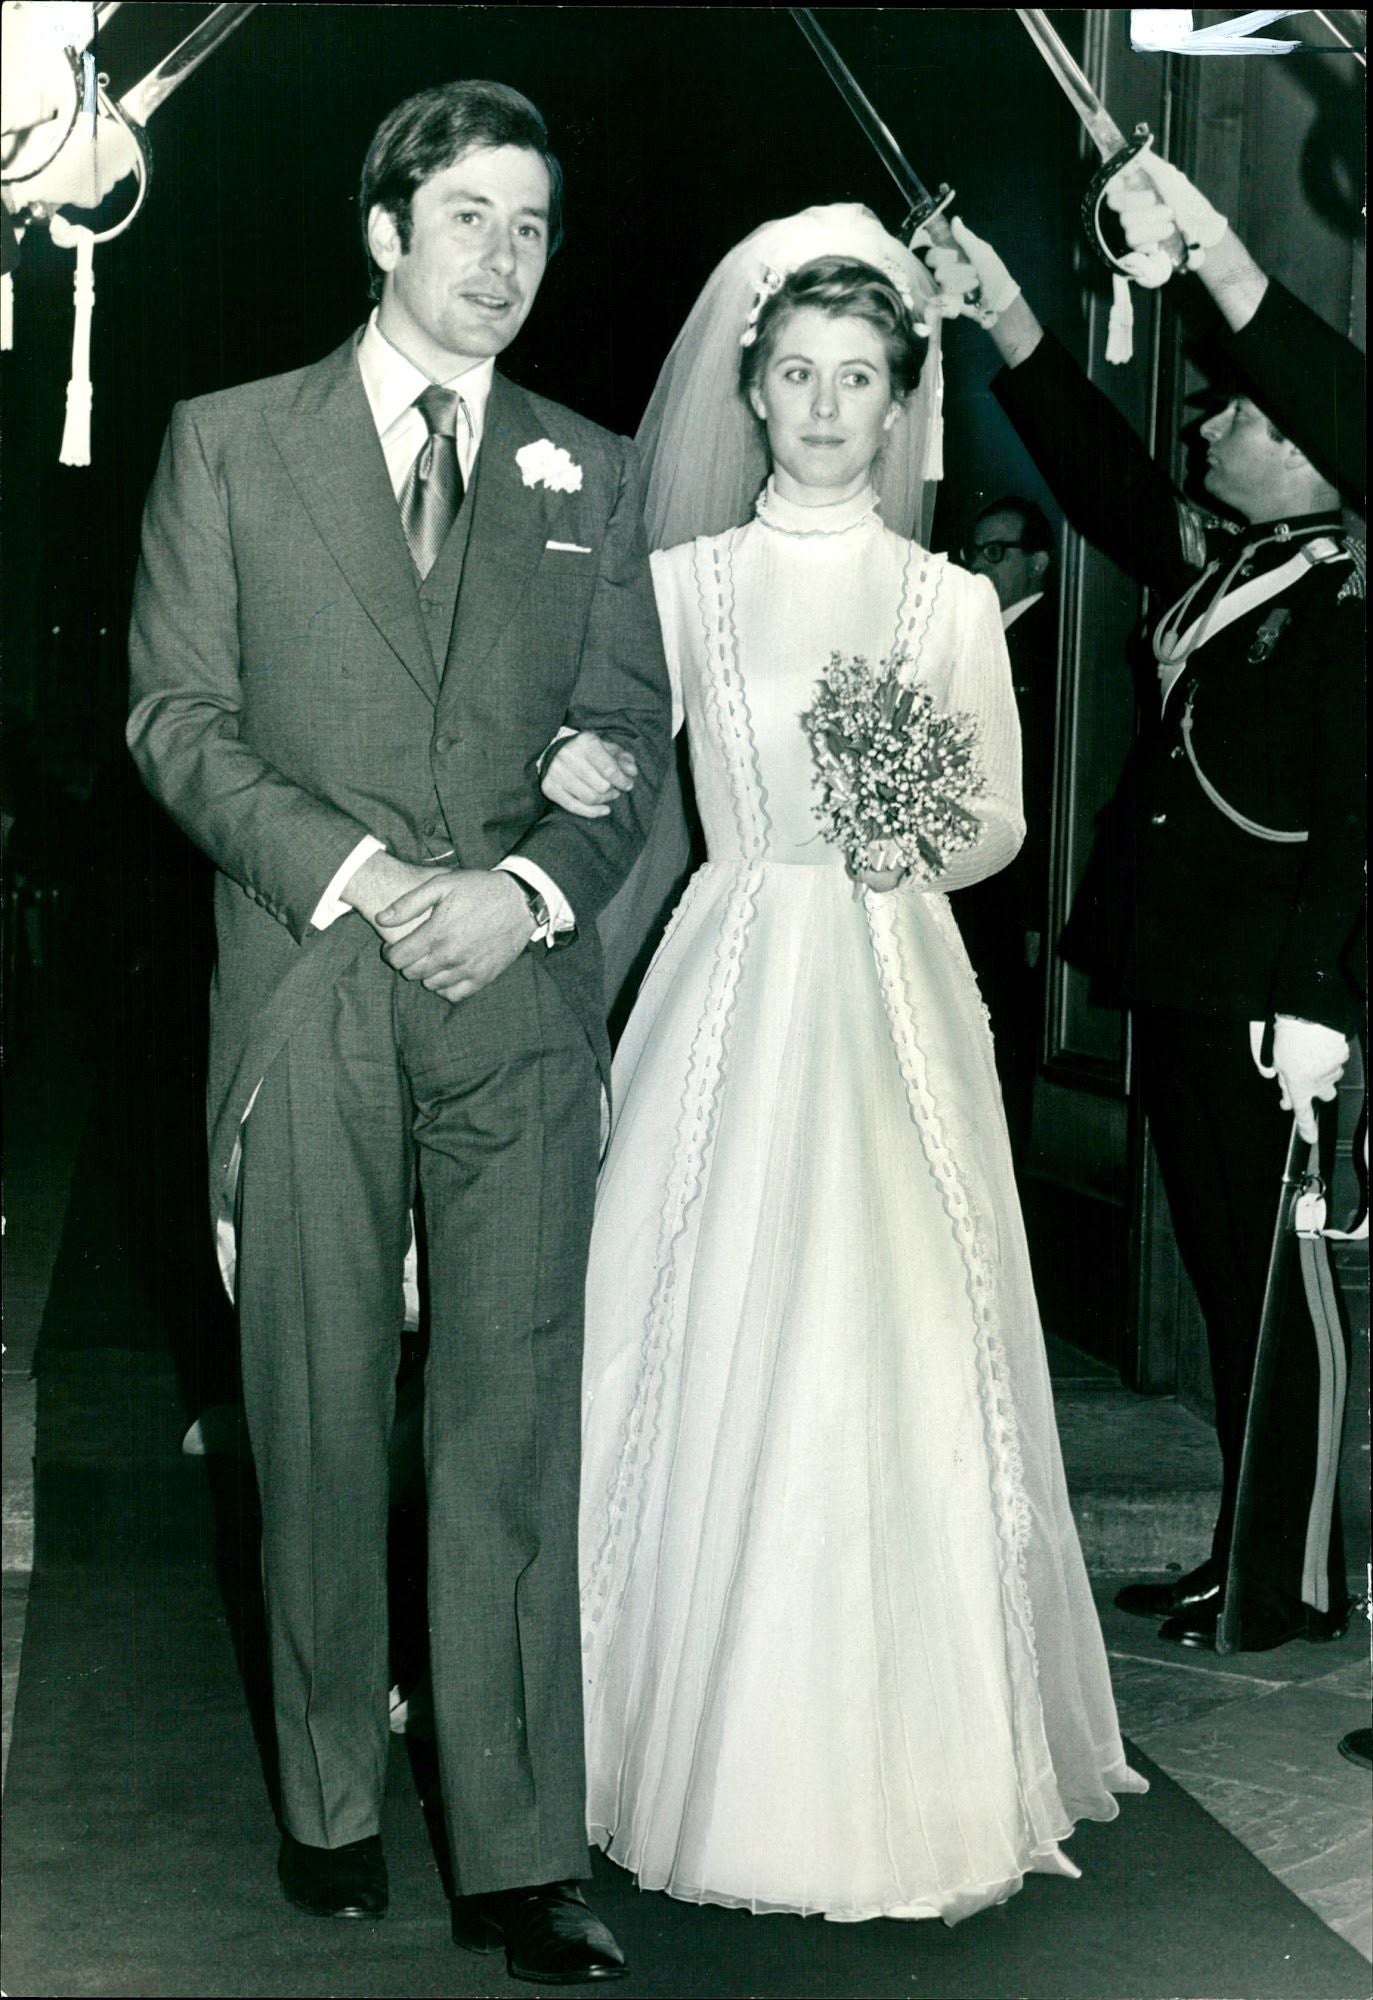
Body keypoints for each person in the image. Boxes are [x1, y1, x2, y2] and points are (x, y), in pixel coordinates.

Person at [127, 80, 672, 1985]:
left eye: (529, 227)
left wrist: (522, 891)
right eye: (465, 219)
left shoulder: (587, 474)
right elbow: (178, 720)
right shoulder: (227, 446)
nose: (501, 261)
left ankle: (520, 1854)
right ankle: (331, 1803)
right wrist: (367, 876)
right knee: (315, 1403)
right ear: (384, 230)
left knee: (507, 1424)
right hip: (313, 982)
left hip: (512, 1001)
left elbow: (624, 747)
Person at [547, 206, 1145, 1925]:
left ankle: (897, 1766)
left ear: (899, 405)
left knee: (877, 1338)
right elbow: (600, 756)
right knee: (699, 1320)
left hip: (886, 984)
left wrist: (909, 824)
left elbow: (999, 826)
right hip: (730, 978)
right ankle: (652, 1726)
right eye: (794, 375)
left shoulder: (948, 598)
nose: (822, 406)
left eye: (856, 380)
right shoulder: (680, 588)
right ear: (750, 386)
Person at [925, 212, 1364, 1655]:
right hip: (1192, 975)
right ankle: (1255, 1556)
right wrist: (1009, 324)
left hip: (1273, 995)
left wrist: (1316, 991)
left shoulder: (1349, 595)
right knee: (1229, 1270)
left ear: (1307, 449)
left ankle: (1291, 1579)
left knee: (1274, 1288)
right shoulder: (1240, 566)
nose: (1211, 431)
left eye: (1240, 412)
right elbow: (1108, 483)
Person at [954, 496, 1059, 1159]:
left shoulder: (1048, 647)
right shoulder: (973, 638)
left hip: (1012, 887)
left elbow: (1045, 782)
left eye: (995, 552)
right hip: (965, 878)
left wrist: (1030, 909)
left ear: (1038, 563)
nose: (976, 564)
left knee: (1003, 1038)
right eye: (972, 551)